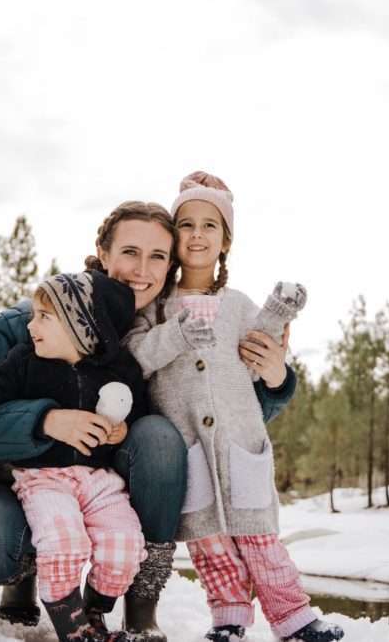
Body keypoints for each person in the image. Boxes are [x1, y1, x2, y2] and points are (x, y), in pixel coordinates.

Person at [0, 200, 298, 642]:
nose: (142, 269)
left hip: (106, 486)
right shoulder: (31, 322)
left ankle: (139, 603)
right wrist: (45, 421)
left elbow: (223, 415)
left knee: (160, 437)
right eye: (129, 252)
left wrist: (276, 381)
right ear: (102, 254)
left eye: (158, 256)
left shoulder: (168, 330)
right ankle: (21, 577)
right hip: (15, 484)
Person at [125, 172, 342, 642]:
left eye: (210, 225)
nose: (198, 235)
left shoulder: (239, 304)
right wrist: (177, 332)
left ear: (226, 240)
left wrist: (281, 314)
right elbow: (136, 359)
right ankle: (228, 617)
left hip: (241, 441)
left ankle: (294, 619)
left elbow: (264, 356)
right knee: (209, 542)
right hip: (188, 445)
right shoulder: (155, 308)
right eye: (187, 224)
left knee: (259, 537)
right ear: (173, 234)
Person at [0, 270, 147, 642]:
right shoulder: (25, 363)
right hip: (45, 479)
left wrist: (123, 428)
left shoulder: (118, 369)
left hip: (97, 479)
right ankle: (71, 623)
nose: (31, 327)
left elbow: (137, 407)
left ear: (80, 326)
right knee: (63, 541)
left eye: (44, 317)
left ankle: (94, 611)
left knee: (124, 542)